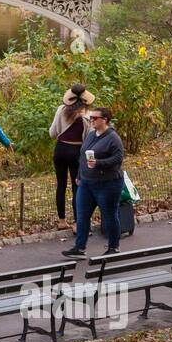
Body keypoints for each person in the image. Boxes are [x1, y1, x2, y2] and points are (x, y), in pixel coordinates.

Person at [63, 107, 125, 257]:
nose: (92, 121)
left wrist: (99, 163)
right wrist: (79, 174)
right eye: (91, 118)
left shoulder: (113, 138)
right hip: (87, 182)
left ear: (105, 120)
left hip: (107, 183)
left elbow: (118, 159)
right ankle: (80, 247)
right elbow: (83, 156)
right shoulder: (91, 135)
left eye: (95, 118)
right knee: (82, 215)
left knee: (109, 215)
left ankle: (113, 247)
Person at [48, 84, 93, 230]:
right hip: (77, 152)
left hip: (60, 150)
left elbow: (52, 133)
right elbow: (90, 138)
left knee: (61, 185)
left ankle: (62, 221)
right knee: (77, 186)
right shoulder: (88, 115)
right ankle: (77, 223)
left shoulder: (61, 110)